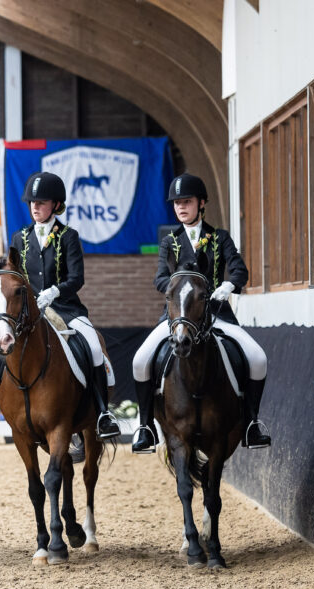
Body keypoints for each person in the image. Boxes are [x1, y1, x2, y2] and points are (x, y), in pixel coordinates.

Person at [0, 171, 121, 444]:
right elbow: (12, 276)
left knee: (93, 346)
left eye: (42, 202)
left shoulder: (68, 236)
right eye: (32, 202)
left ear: (56, 205)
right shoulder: (19, 237)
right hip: (29, 313)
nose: (35, 207)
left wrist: (55, 291)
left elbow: (77, 278)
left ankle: (103, 413)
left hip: (67, 308)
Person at [129, 173, 270, 454]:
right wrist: (176, 287)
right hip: (179, 317)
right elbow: (160, 278)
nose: (181, 207)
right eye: (177, 203)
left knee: (257, 358)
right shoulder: (170, 241)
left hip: (216, 314)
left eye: (187, 201)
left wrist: (228, 285)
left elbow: (239, 270)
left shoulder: (219, 238)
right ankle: (146, 427)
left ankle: (251, 423)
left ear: (201, 203)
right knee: (140, 360)